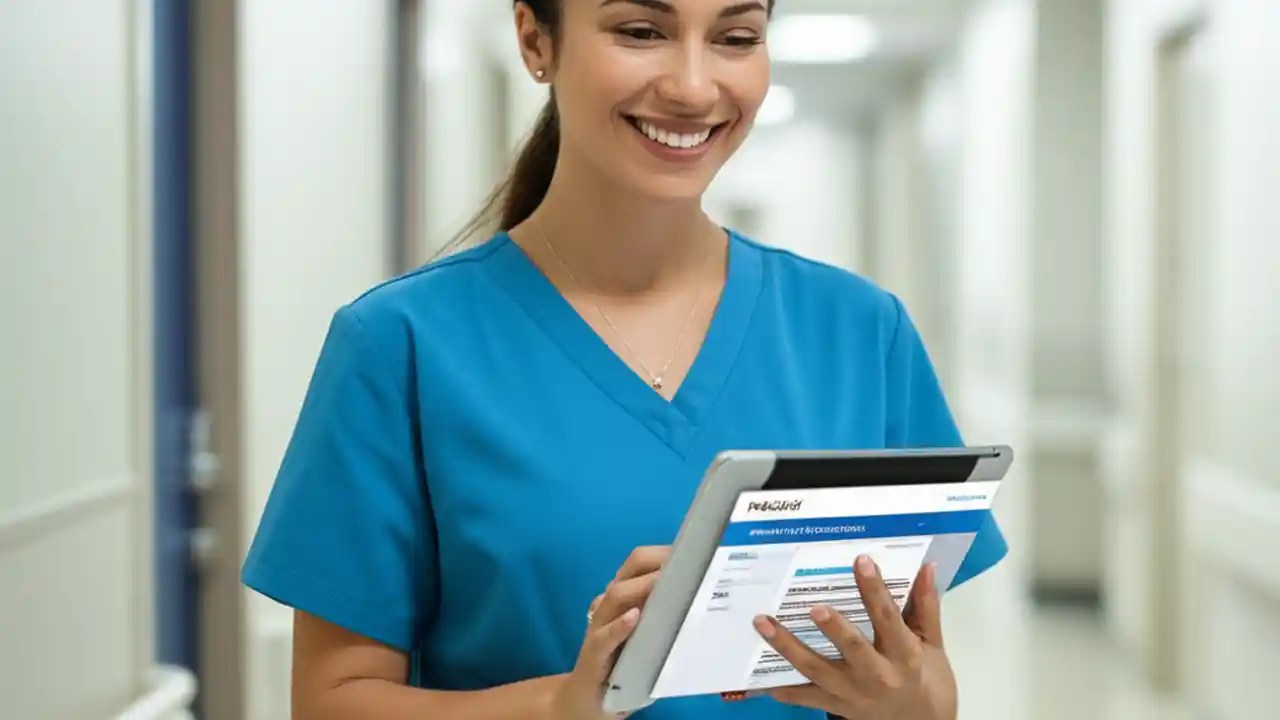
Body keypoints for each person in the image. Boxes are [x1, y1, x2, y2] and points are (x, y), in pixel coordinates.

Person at [241, 1, 1008, 718]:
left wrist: (913, 701)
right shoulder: (402, 345)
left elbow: (925, 672)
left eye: (735, 38)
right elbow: (332, 697)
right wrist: (561, 704)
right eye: (641, 31)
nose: (694, 86)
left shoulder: (860, 333)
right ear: (536, 41)